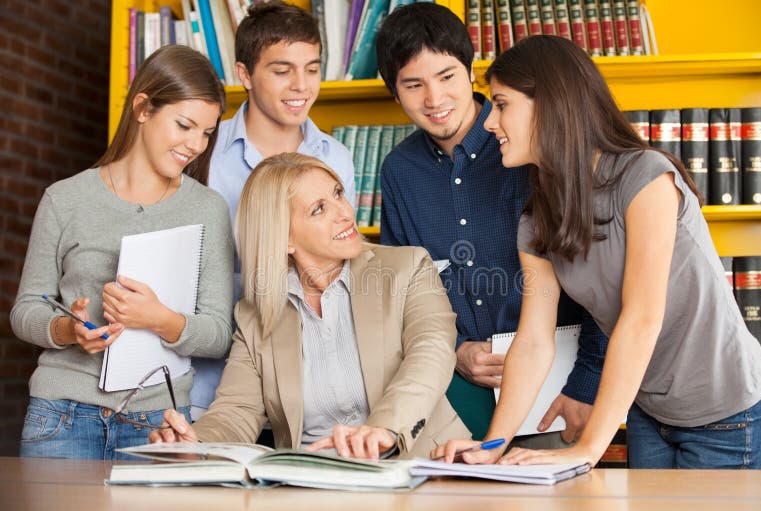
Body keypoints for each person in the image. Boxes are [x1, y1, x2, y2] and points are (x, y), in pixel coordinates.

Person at [434, 35, 761, 469]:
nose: (489, 122)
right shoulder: (537, 216)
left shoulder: (647, 179)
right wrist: (492, 445)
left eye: (502, 104)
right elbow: (534, 341)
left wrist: (585, 451)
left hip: (728, 414)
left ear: (550, 104)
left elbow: (640, 320)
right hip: (649, 411)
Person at [375, 3, 608, 447]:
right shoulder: (399, 172)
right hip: (456, 397)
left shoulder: (530, 146)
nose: (434, 99)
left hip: (559, 389)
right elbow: (403, 291)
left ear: (470, 71)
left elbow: (599, 280)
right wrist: (457, 347)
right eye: (413, 85)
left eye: (446, 77)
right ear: (395, 92)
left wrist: (586, 383)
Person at [151, 153, 470, 459]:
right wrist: (196, 442)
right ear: (284, 238)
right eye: (319, 209)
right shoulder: (254, 313)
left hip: (419, 469)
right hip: (313, 483)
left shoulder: (408, 267)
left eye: (338, 194)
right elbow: (238, 410)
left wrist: (382, 430)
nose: (345, 212)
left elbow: (431, 351)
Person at [10, 45, 234, 460]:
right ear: (143, 108)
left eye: (206, 132)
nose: (196, 145)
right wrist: (67, 330)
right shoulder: (65, 198)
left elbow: (219, 333)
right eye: (184, 125)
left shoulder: (208, 209)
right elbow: (25, 311)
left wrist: (160, 320)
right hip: (61, 414)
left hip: (159, 423)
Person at [191, 0, 357, 420]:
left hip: (309, 392)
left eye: (313, 69)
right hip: (215, 384)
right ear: (244, 74)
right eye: (282, 71)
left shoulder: (337, 158)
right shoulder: (203, 153)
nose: (301, 86)